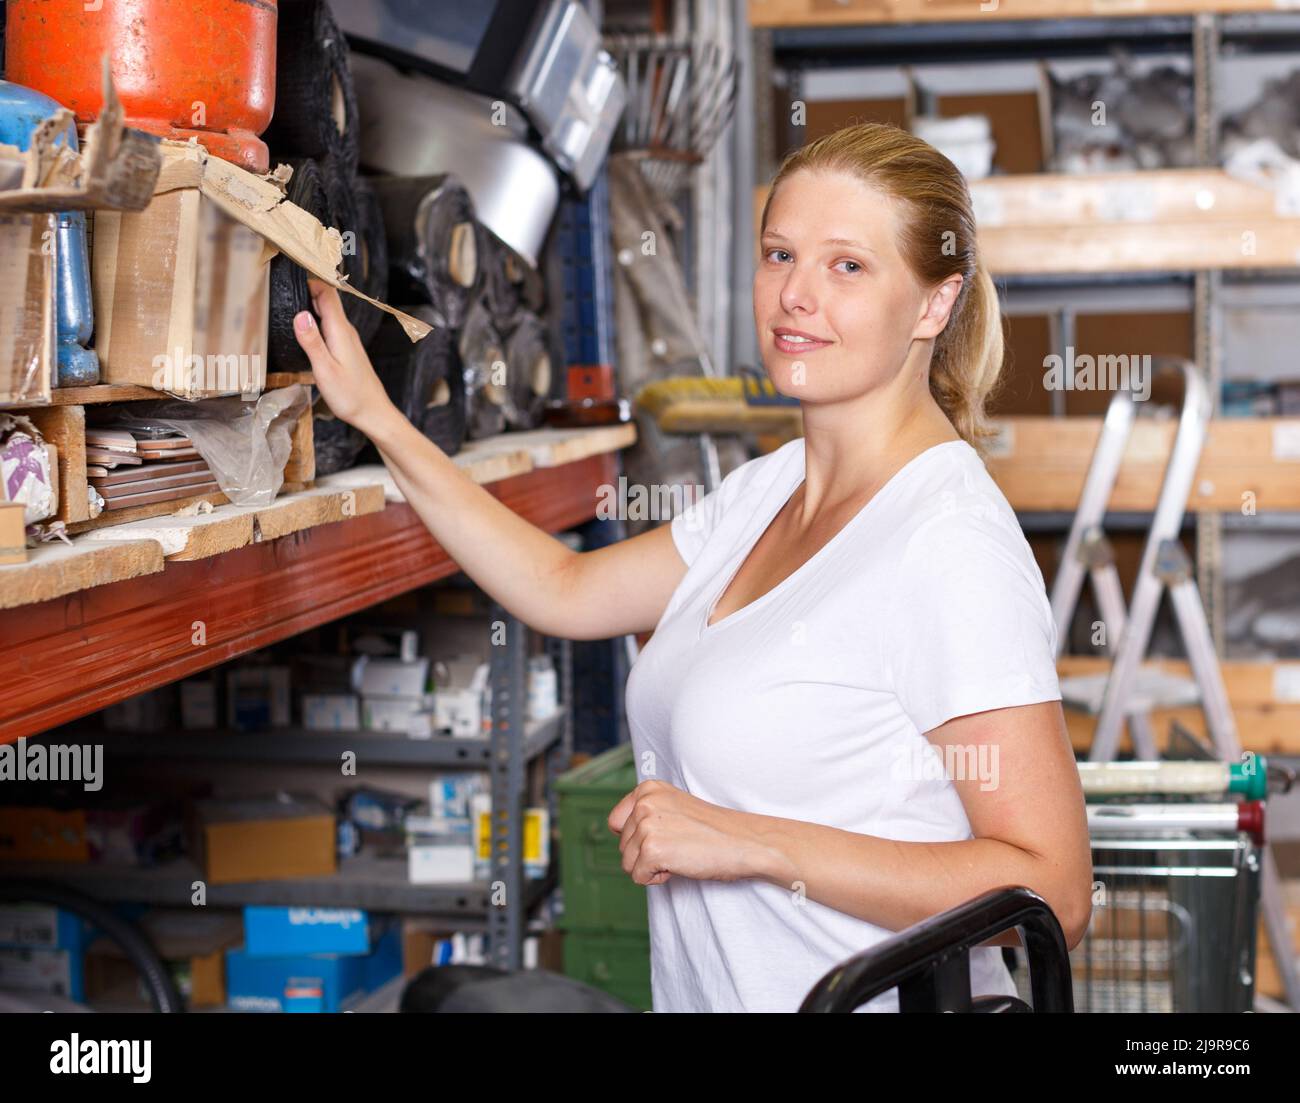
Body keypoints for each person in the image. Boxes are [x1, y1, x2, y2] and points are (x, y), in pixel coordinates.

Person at [291, 120, 1093, 1014]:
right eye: (780, 253)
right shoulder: (766, 490)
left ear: (934, 305)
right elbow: (563, 587)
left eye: (848, 266)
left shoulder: (949, 541)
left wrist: (754, 841)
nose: (796, 295)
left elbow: (1050, 890)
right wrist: (382, 421)